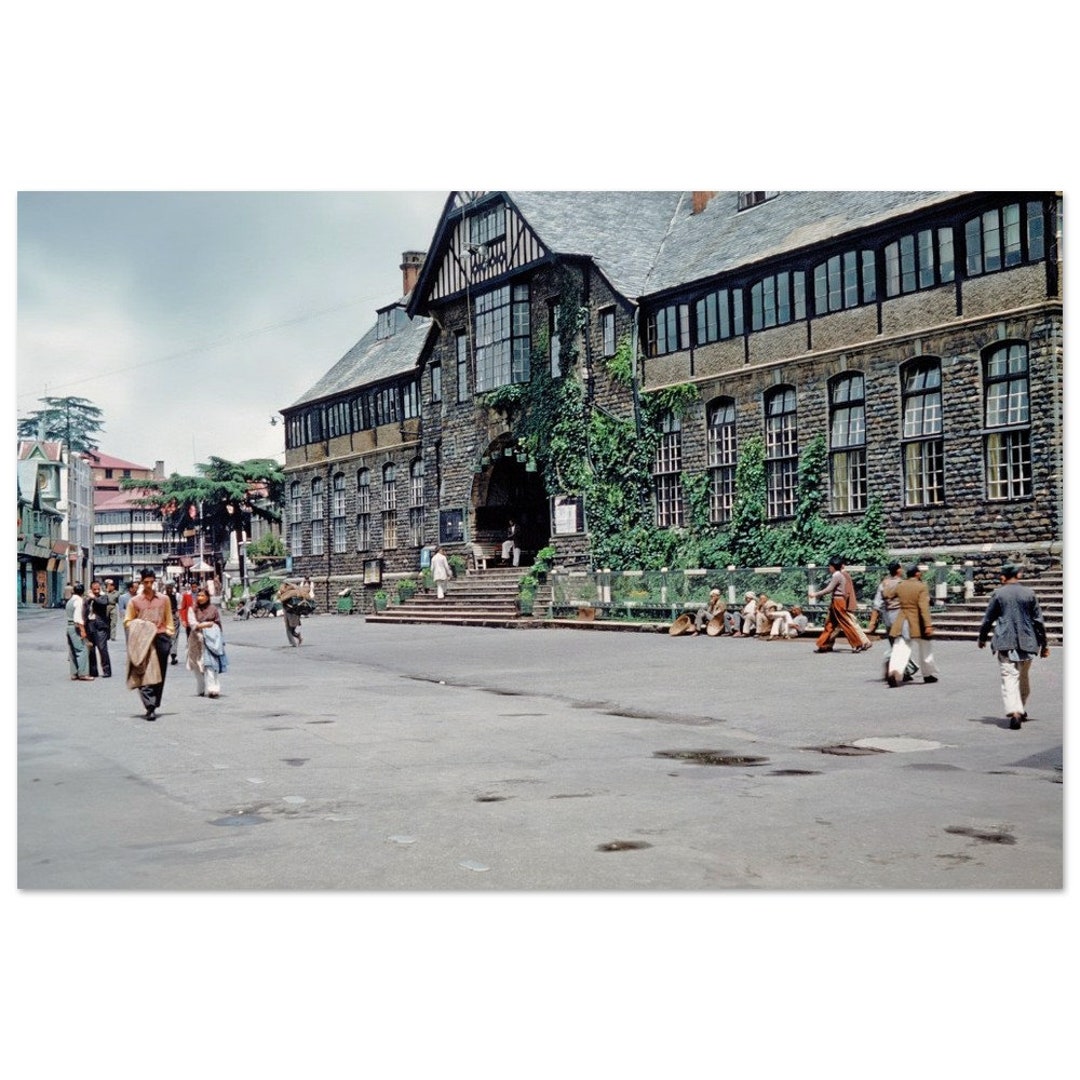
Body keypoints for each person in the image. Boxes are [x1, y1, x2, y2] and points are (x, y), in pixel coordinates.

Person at [977, 563, 1050, 729]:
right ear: (1018, 575)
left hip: (1005, 641)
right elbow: (1038, 621)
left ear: (1004, 576)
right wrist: (1044, 644)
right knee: (1023, 676)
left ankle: (1015, 711)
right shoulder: (1029, 593)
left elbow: (988, 619)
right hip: (1028, 642)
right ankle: (1020, 708)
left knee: (1009, 677)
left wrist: (982, 638)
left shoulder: (998, 594)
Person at [124, 567, 176, 721]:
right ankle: (149, 706)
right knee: (144, 672)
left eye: (151, 582)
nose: (148, 585)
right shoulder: (134, 602)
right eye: (146, 582)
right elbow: (127, 621)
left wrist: (168, 632)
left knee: (160, 673)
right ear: (141, 581)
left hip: (161, 638)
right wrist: (141, 625)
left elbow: (169, 619)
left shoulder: (163, 599)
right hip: (143, 640)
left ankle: (155, 701)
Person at [884, 564, 939, 688]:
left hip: (902, 619)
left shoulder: (901, 585)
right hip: (918, 621)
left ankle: (895, 672)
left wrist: (888, 582)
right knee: (925, 648)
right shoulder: (921, 587)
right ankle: (927, 674)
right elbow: (923, 607)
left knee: (900, 648)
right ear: (917, 574)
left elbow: (888, 594)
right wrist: (928, 625)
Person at [868, 561, 918, 683]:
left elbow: (877, 604)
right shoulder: (903, 584)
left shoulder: (884, 584)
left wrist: (872, 622)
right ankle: (894, 668)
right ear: (898, 570)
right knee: (902, 645)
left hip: (888, 617)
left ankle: (905, 670)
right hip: (901, 617)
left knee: (895, 644)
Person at [809, 556, 872, 653]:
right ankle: (823, 645)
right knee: (829, 624)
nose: (829, 568)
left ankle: (857, 644)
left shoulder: (837, 575)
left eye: (830, 566)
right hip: (836, 601)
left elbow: (829, 589)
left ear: (834, 566)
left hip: (838, 601)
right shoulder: (839, 574)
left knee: (845, 623)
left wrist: (815, 594)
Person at [186, 585, 228, 697]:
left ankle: (213, 688)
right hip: (196, 640)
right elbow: (193, 624)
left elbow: (218, 624)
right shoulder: (192, 609)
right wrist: (207, 624)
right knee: (197, 666)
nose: (200, 597)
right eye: (198, 595)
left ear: (207, 597)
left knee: (210, 665)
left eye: (202, 595)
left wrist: (220, 640)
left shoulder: (213, 609)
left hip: (211, 641)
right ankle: (200, 687)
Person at [65, 584, 94, 681]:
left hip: (69, 626)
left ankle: (74, 673)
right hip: (75, 626)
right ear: (83, 592)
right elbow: (78, 617)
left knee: (72, 651)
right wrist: (82, 630)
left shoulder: (70, 601)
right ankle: (83, 673)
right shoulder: (78, 601)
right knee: (82, 649)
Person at [85, 581, 113, 678]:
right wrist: (88, 598)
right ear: (91, 589)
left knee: (102, 648)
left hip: (100, 626)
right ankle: (93, 671)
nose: (96, 591)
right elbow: (84, 607)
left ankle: (107, 671)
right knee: (91, 649)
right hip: (90, 625)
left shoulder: (103, 597)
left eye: (98, 589)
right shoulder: (88, 597)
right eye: (94, 589)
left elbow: (103, 603)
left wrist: (94, 597)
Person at [278, 579, 311, 645]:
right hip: (291, 611)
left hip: (292, 611)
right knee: (290, 628)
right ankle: (294, 641)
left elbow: (280, 598)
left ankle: (296, 639)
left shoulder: (292, 593)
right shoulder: (295, 592)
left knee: (290, 628)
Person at [164, 582, 180, 665]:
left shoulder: (162, 598)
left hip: (168, 618)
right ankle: (173, 654)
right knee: (173, 637)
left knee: (168, 637)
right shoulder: (175, 596)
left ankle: (171, 654)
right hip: (171, 617)